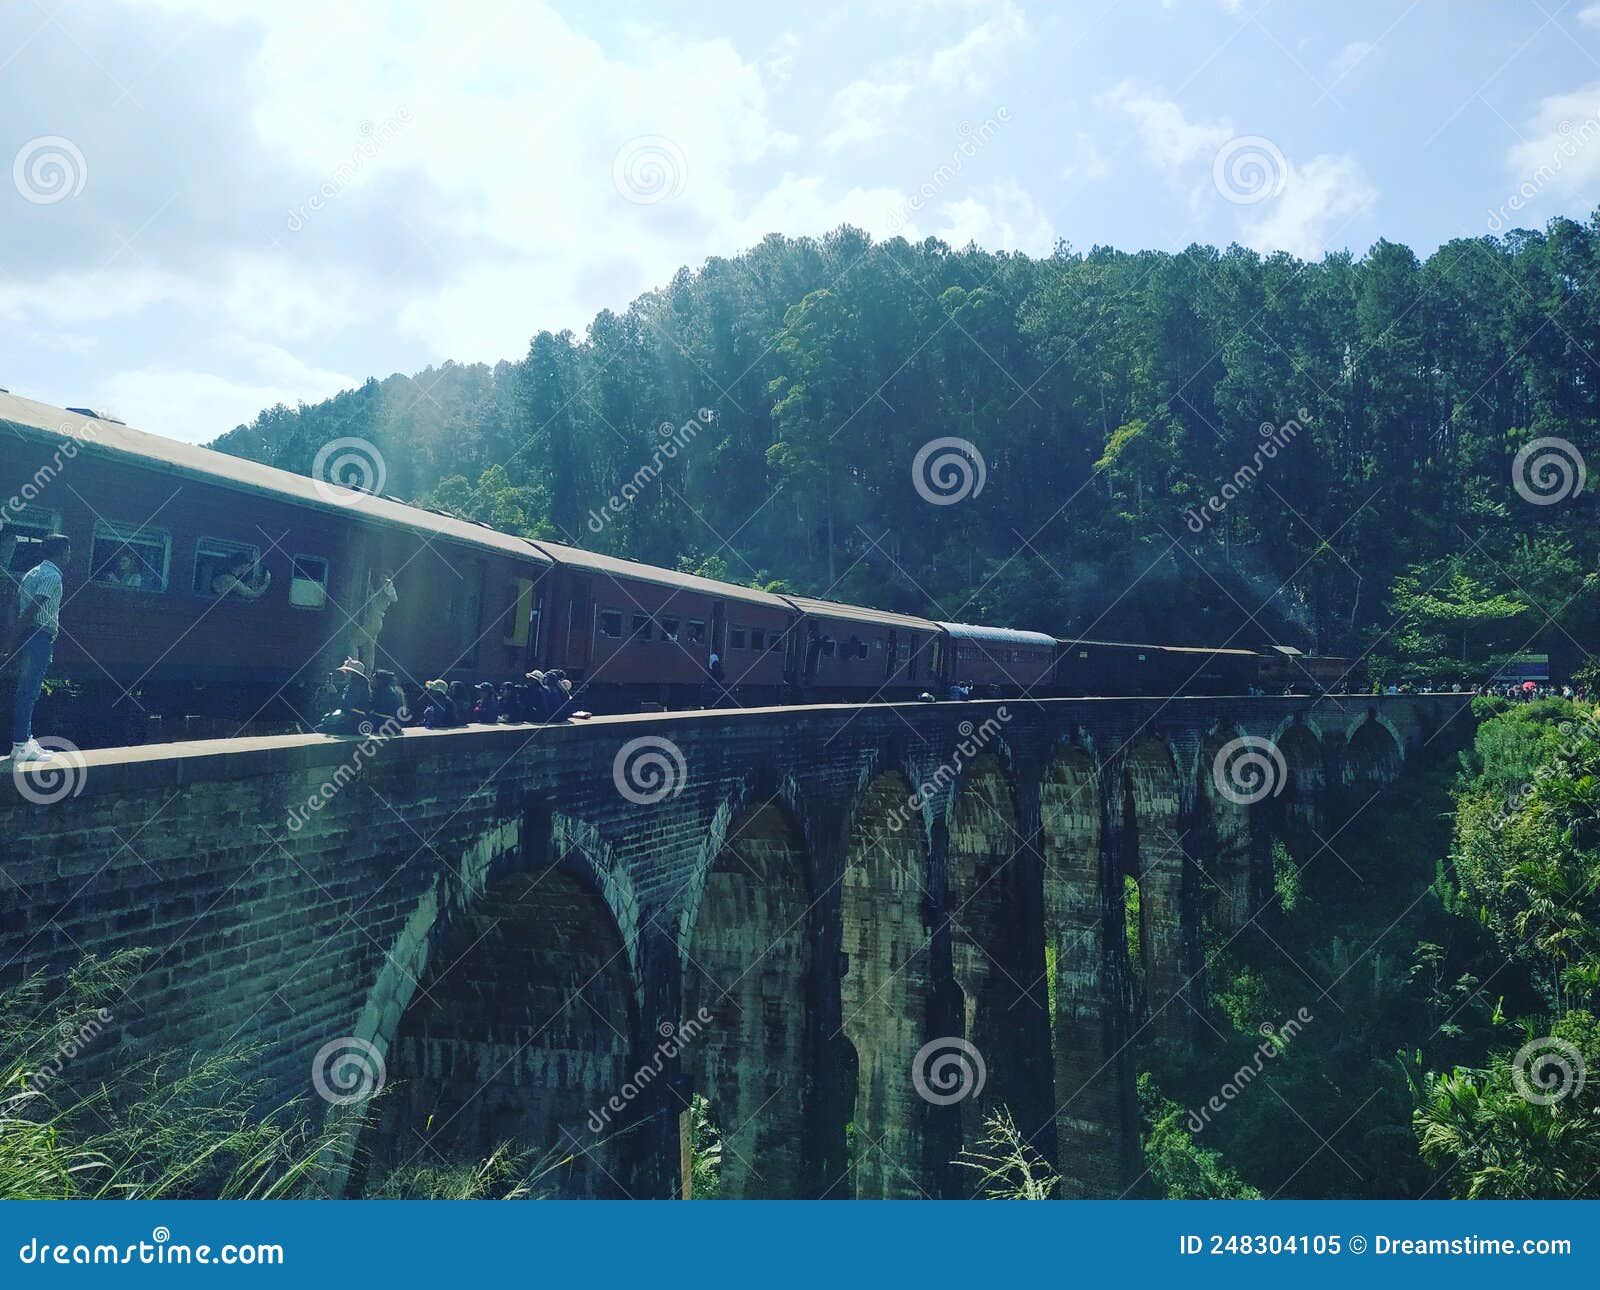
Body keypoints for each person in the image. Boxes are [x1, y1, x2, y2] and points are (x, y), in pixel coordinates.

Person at [7, 533, 70, 763]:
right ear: (62, 552)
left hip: (29, 636)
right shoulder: (52, 576)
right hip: (38, 636)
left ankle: (25, 739)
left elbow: (17, 606)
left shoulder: (32, 573)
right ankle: (21, 745)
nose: (69, 555)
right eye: (68, 550)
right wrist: (12, 641)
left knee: (26, 690)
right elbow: (32, 609)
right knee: (29, 691)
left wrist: (15, 638)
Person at [356, 569, 399, 672]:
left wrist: (388, 582)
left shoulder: (387, 587)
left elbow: (394, 598)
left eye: (384, 577)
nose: (381, 579)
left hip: (373, 620)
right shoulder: (375, 590)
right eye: (381, 577)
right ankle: (368, 674)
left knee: (353, 642)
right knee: (369, 649)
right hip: (374, 621)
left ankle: (352, 672)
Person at [316, 657, 371, 735]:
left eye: (348, 672)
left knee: (319, 729)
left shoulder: (357, 686)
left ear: (354, 674)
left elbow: (346, 705)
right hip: (352, 720)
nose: (346, 673)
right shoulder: (354, 685)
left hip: (355, 723)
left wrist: (334, 693)